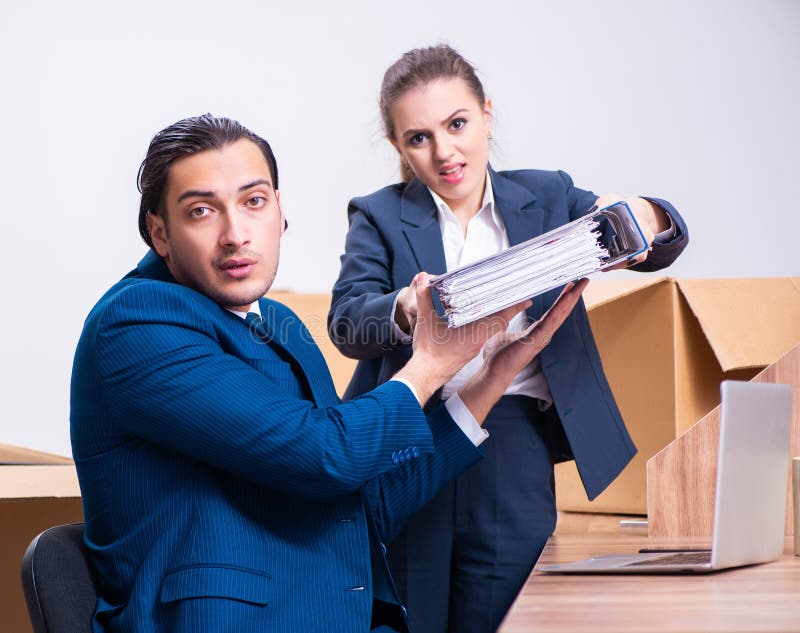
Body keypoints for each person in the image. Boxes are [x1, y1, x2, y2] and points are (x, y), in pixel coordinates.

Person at [69, 113, 587, 633]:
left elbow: (361, 503)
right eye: (201, 211)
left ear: (280, 211)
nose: (235, 234)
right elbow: (324, 454)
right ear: (160, 233)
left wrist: (491, 377)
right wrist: (429, 366)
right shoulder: (136, 323)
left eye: (254, 201)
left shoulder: (277, 323)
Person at [328, 45, 689, 633]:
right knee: (408, 616)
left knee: (502, 617)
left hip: (514, 442)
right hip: (411, 442)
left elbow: (664, 236)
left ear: (487, 115)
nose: (444, 152)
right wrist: (408, 307)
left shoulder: (546, 197)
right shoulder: (379, 214)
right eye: (418, 137)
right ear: (398, 147)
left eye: (457, 124)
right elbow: (347, 321)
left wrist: (643, 220)